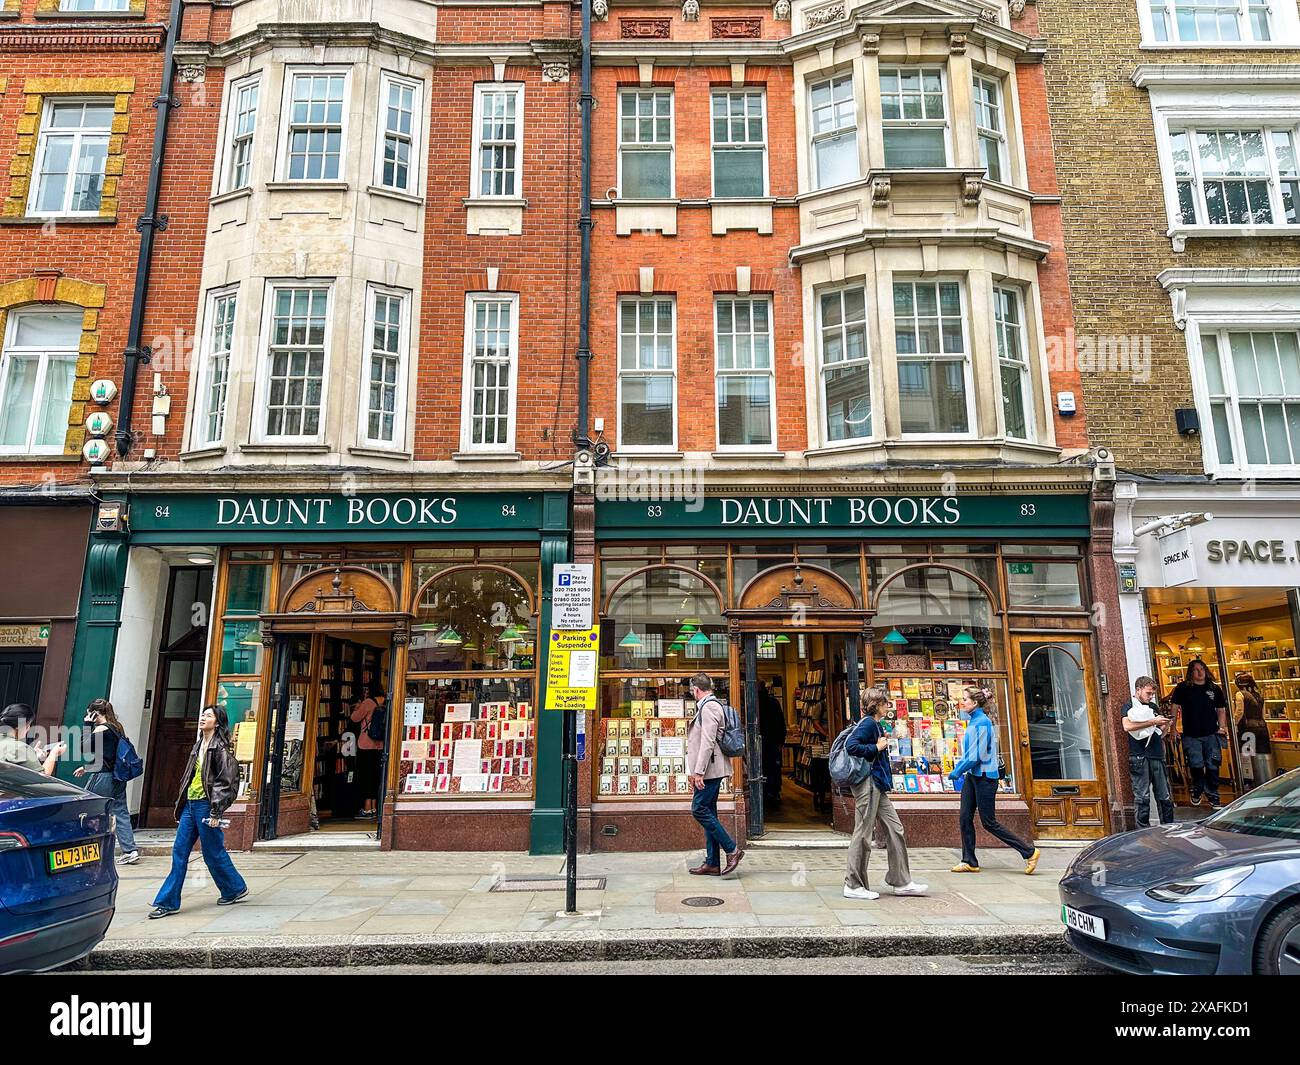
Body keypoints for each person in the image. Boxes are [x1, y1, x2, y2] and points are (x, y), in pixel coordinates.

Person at [149, 704, 248, 918]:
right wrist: (181, 804)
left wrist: (216, 812)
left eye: (208, 715)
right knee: (179, 852)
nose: (203, 718)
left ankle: (234, 888)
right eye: (202, 714)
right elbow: (189, 778)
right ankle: (167, 902)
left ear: (217, 722)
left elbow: (227, 783)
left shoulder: (220, 749)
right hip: (190, 805)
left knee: (212, 852)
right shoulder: (197, 746)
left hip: (206, 805)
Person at [843, 687, 927, 900]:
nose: (888, 706)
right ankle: (853, 884)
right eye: (886, 703)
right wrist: (876, 747)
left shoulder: (874, 724)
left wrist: (879, 743)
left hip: (878, 785)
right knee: (863, 833)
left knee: (895, 828)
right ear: (877, 705)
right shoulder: (869, 723)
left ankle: (901, 881)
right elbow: (851, 746)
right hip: (869, 785)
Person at [948, 687, 1040, 874]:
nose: (962, 702)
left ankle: (1029, 852)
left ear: (975, 703)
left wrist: (956, 771)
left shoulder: (982, 723)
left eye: (965, 699)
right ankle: (969, 860)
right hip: (973, 776)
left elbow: (977, 755)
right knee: (965, 817)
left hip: (985, 778)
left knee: (989, 822)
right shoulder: (974, 721)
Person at [686, 673, 743, 877]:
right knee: (708, 811)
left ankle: (732, 849)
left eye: (692, 690)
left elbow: (708, 742)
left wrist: (698, 772)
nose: (692, 693)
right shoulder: (709, 706)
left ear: (697, 689)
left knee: (699, 809)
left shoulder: (709, 707)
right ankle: (712, 862)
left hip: (710, 770)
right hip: (709, 769)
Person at [72, 699, 140, 864]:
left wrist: (86, 724)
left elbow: (84, 748)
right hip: (116, 777)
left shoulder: (101, 729)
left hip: (102, 777)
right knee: (121, 812)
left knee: (85, 809)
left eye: (89, 713)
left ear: (95, 714)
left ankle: (82, 850)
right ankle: (130, 851)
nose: (87, 716)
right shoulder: (117, 728)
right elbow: (107, 756)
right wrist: (86, 768)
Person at [1170, 658, 1229, 808]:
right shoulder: (1183, 688)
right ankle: (1197, 789)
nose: (1200, 672)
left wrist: (1222, 727)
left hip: (1211, 733)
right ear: (1191, 672)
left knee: (1213, 765)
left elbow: (1221, 709)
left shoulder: (1214, 688)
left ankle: (1213, 795)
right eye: (1196, 669)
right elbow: (1175, 707)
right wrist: (1173, 727)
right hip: (1191, 734)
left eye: (1202, 669)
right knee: (1196, 764)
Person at [1120, 677, 1174, 829]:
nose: (1151, 697)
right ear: (1138, 690)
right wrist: (1153, 722)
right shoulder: (1128, 706)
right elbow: (1127, 726)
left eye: (1152, 694)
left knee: (1164, 796)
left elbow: (1159, 734)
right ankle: (1142, 831)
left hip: (1157, 754)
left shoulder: (1153, 707)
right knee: (1142, 797)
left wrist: (1167, 725)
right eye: (1148, 693)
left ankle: (1168, 828)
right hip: (1139, 756)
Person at [350, 684, 387, 819]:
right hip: (381, 744)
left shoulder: (368, 703)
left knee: (365, 776)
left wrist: (358, 706)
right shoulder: (386, 702)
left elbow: (355, 718)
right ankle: (374, 807)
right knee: (376, 776)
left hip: (366, 744)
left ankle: (367, 808)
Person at [0, 703, 64, 775]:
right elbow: (42, 777)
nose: (28, 729)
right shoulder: (21, 748)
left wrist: (33, 757)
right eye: (28, 725)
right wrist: (53, 754)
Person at [1234, 671, 1272, 781]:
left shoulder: (1240, 694)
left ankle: (1250, 781)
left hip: (1248, 729)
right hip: (1262, 727)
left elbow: (1239, 712)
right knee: (1262, 755)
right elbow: (1263, 714)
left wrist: (1233, 723)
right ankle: (1265, 778)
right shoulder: (1259, 695)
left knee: (1247, 756)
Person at [757, 681, 786, 806]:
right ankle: (773, 793)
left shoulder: (753, 702)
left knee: (760, 768)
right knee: (773, 769)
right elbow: (781, 724)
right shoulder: (774, 702)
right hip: (772, 742)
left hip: (759, 742)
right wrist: (780, 741)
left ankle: (763, 794)